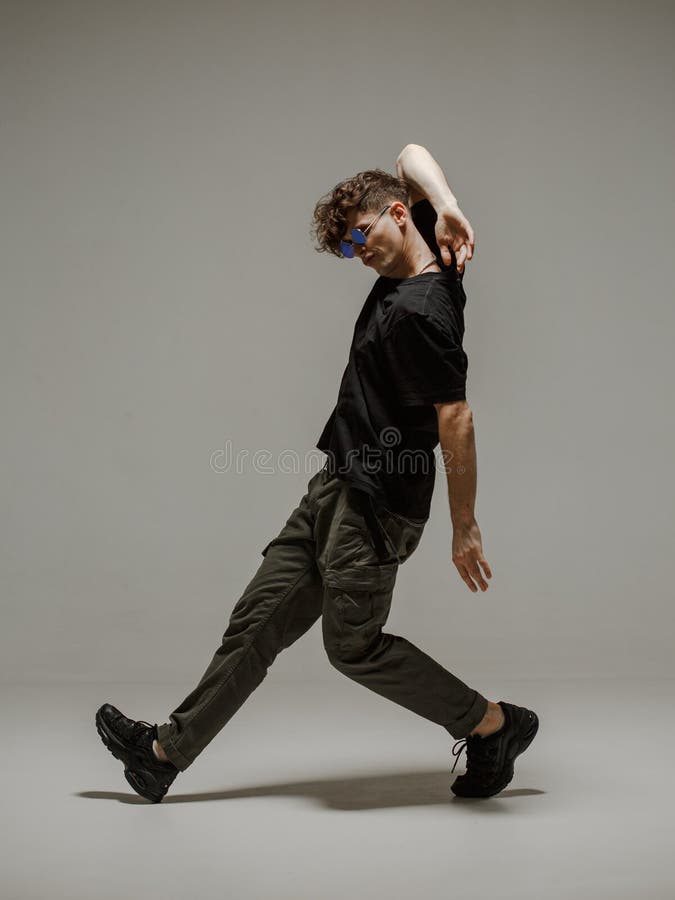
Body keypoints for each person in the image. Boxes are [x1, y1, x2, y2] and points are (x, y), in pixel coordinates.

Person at [96, 143, 539, 803]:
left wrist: (464, 523)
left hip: (377, 505)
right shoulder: (425, 243)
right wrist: (447, 205)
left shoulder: (423, 309)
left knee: (352, 647)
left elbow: (456, 418)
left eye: (360, 237)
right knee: (256, 619)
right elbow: (409, 155)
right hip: (336, 485)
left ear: (396, 216)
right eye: (347, 247)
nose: (358, 253)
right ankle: (164, 754)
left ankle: (492, 725)